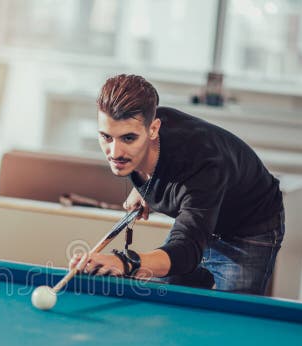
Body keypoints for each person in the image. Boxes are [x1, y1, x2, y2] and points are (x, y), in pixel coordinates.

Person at [70, 74, 285, 295]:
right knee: (171, 304)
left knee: (231, 320)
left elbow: (186, 250)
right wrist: (144, 187)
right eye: (106, 137)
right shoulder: (141, 124)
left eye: (128, 139)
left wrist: (125, 263)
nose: (114, 153)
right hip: (200, 221)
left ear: (153, 129)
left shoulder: (203, 165)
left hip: (248, 230)